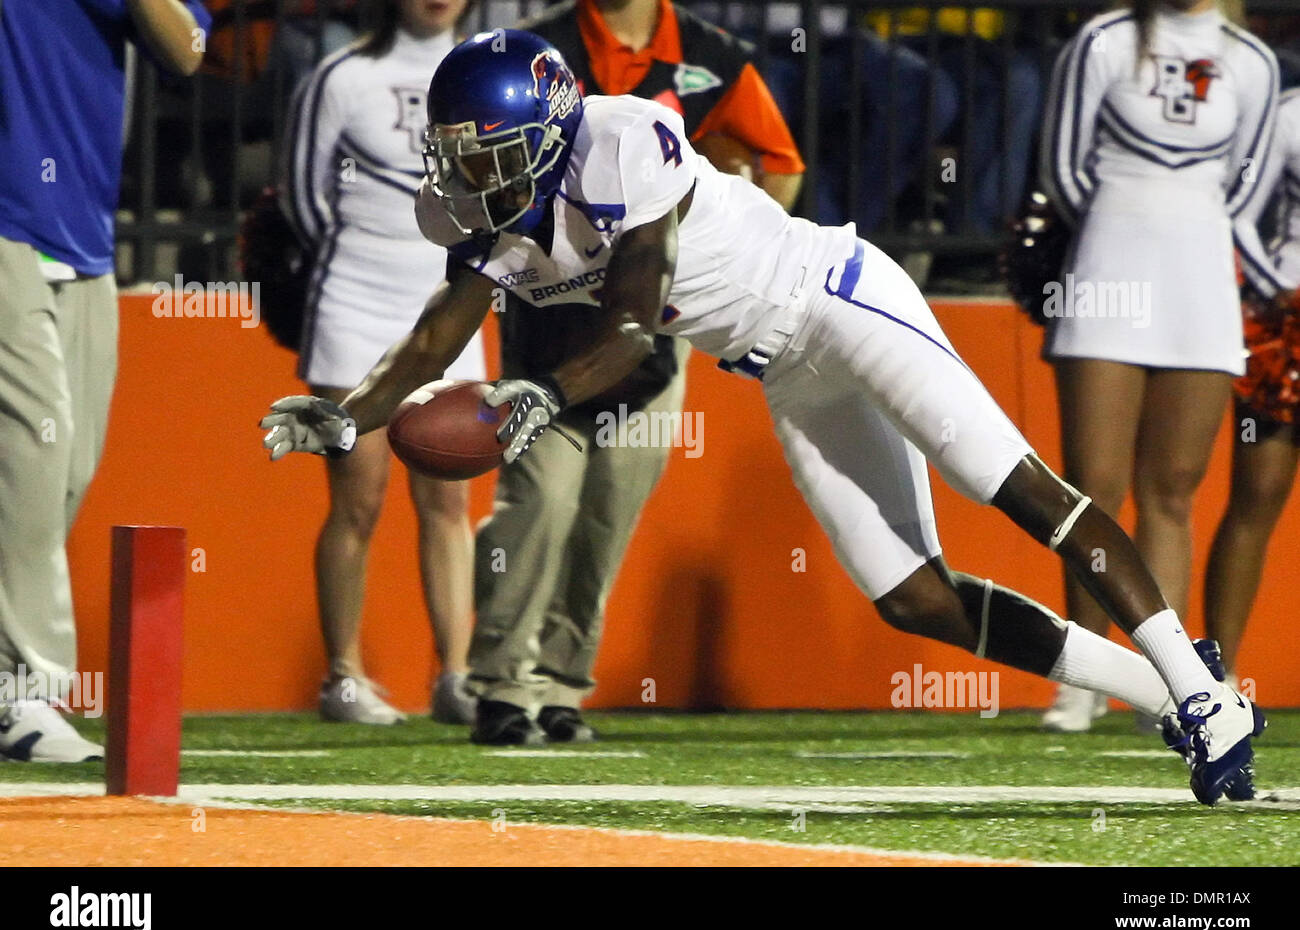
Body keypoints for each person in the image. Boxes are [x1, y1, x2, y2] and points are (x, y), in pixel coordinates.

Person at [262, 30, 1263, 805]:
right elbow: (440, 331)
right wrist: (351, 412)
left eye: (486, 154)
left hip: (833, 294)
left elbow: (634, 320)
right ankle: (1161, 689)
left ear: (550, 127)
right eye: (455, 156)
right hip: (780, 363)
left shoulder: (622, 137)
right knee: (912, 596)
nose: (465, 177)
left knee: (1009, 483)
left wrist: (549, 392)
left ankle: (1204, 690)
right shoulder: (487, 215)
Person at [465, 0, 804, 745]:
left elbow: (778, 163)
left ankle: (559, 688)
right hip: (548, 327)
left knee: (604, 523)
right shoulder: (538, 50)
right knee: (537, 509)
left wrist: (708, 244)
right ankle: (500, 686)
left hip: (644, 337)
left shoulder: (711, 54)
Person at [1036, 0, 1279, 731]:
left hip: (1201, 274)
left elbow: (1248, 184)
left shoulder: (1253, 60)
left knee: (1173, 488)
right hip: (1110, 259)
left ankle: (1171, 688)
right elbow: (1062, 168)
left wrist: (1186, 225)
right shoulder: (1102, 41)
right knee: (1093, 486)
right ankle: (1083, 679)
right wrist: (1124, 226)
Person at [0, 0, 210, 761]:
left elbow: (188, 49)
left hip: (82, 227)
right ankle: (21, 690)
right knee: (31, 454)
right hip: (4, 220)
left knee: (69, 465)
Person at [282, 0, 484, 724]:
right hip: (355, 302)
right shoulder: (342, 75)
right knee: (358, 498)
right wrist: (359, 257)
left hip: (454, 304)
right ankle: (343, 676)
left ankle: (456, 675)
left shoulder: (480, 70)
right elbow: (302, 198)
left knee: (449, 497)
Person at [1203, 87, 1300, 682]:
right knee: (1257, 495)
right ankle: (1216, 679)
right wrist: (1280, 294)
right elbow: (1235, 210)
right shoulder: (1289, 113)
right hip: (1292, 325)